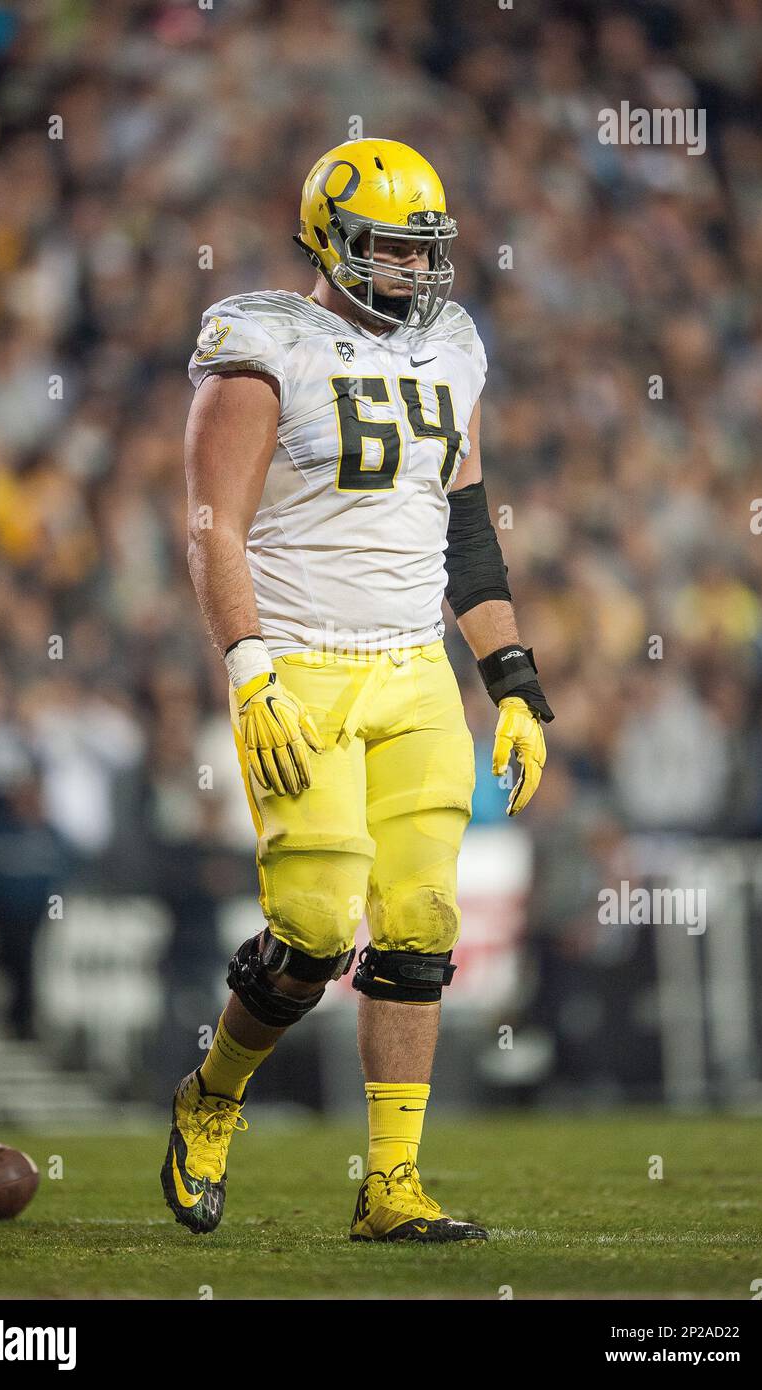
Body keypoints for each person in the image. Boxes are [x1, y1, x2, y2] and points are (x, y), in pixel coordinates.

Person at [161, 138, 553, 1242]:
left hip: (414, 669)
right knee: (316, 922)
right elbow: (211, 528)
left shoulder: (455, 345)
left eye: (425, 249)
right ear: (329, 241)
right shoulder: (263, 341)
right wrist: (247, 671)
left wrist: (513, 681)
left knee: (422, 920)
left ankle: (390, 1185)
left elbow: (465, 524)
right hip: (300, 666)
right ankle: (214, 1096)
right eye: (389, 247)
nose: (414, 270)